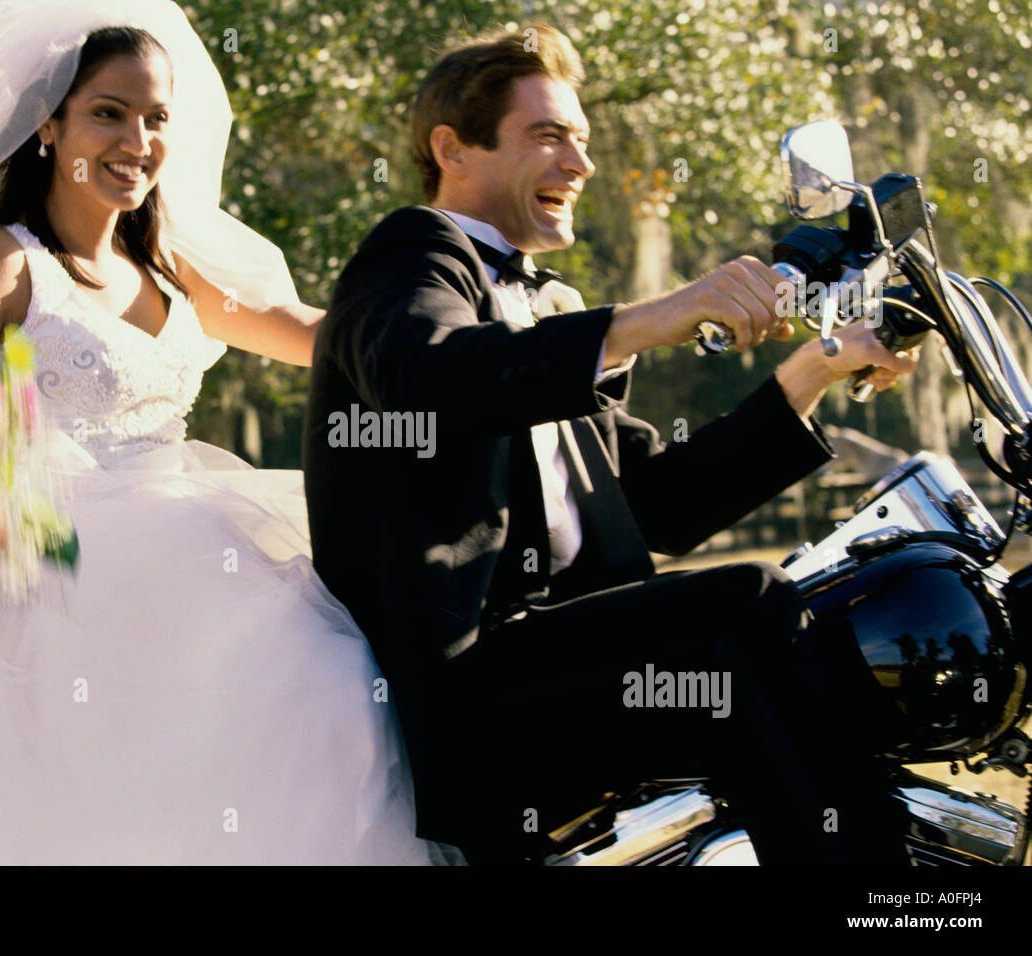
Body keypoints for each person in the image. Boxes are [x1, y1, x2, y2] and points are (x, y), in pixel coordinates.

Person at [0, 0, 452, 865]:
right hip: (46, 571)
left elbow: (317, 333)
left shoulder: (171, 267)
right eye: (109, 112)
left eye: (156, 117)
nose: (138, 139)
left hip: (193, 551)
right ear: (49, 127)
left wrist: (474, 333)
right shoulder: (0, 256)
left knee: (326, 694)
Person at [303, 24, 921, 865]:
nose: (580, 164)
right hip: (481, 692)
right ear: (453, 148)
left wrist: (818, 367)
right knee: (747, 601)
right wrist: (648, 320)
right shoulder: (410, 256)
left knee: (834, 610)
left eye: (583, 140)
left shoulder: (549, 305)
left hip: (577, 659)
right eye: (548, 136)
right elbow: (428, 376)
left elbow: (663, 507)